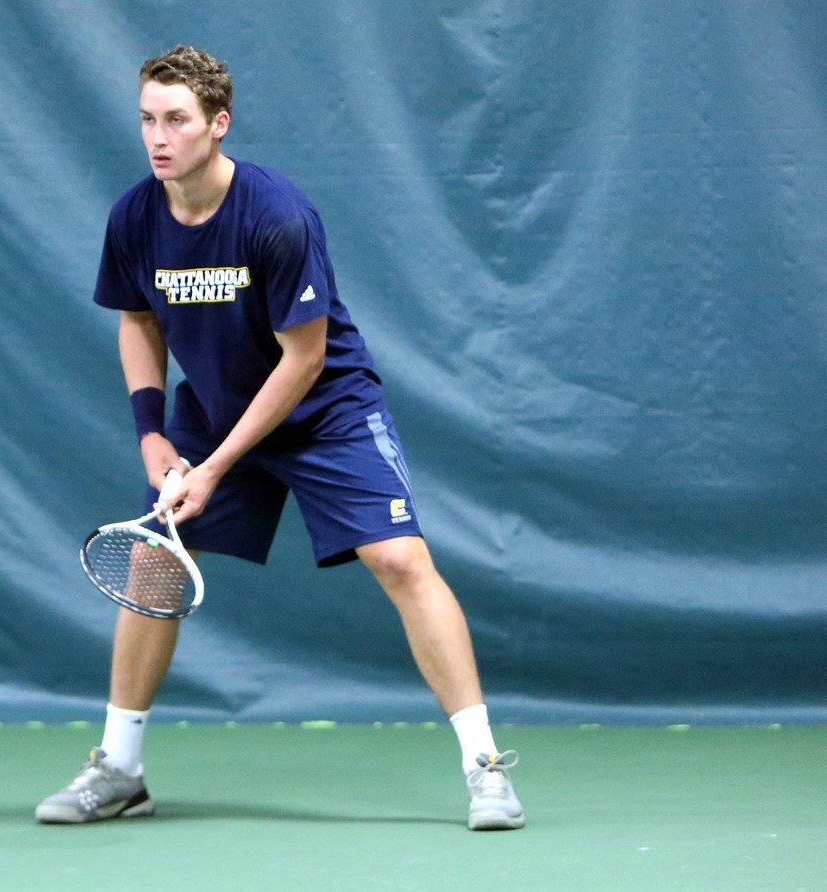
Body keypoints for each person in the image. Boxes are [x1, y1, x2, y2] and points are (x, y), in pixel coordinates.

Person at [35, 45, 523, 832]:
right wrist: (152, 436)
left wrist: (218, 465)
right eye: (148, 121)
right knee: (154, 565)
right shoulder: (135, 215)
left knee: (402, 560)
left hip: (323, 408)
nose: (159, 138)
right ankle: (119, 769)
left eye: (178, 121)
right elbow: (137, 320)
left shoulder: (276, 216)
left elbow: (305, 357)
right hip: (214, 409)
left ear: (217, 125)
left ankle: (487, 768)